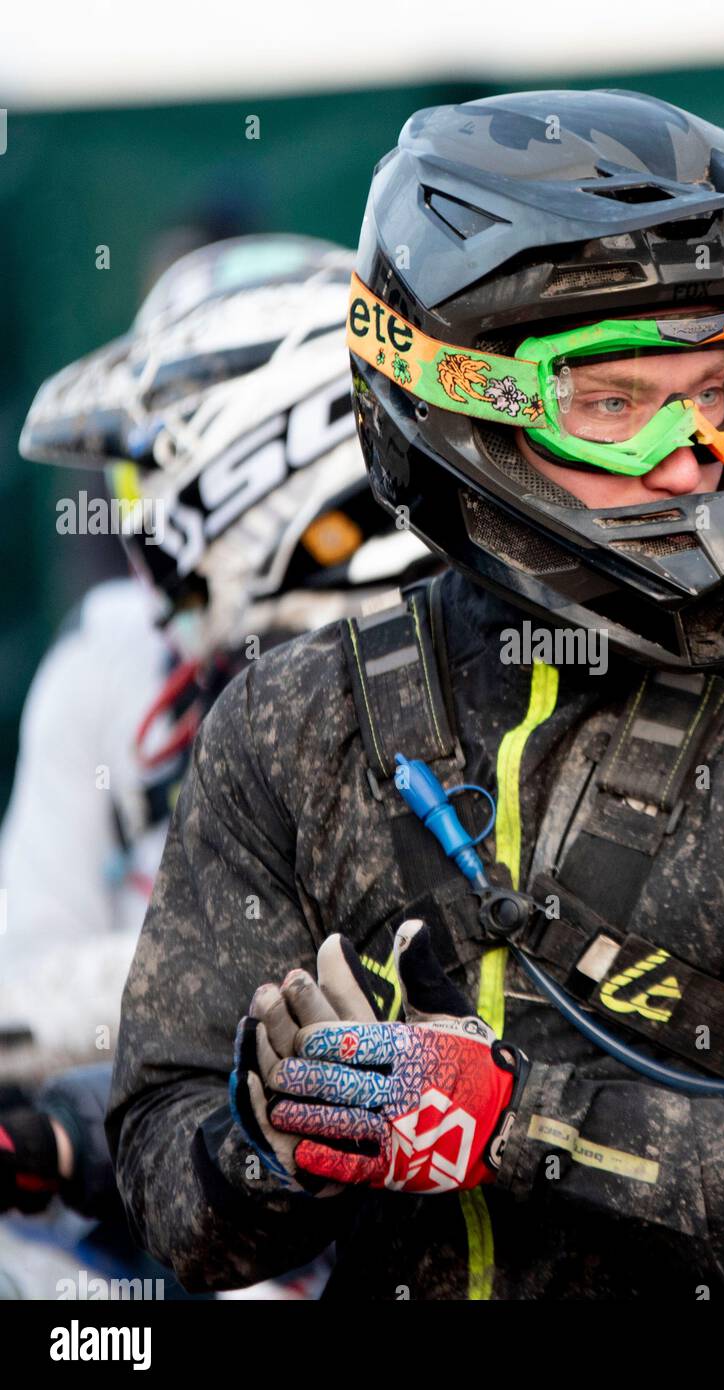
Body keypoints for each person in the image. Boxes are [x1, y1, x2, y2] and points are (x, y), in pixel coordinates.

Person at [108, 89, 724, 1300]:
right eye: (614, 404)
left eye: (721, 388)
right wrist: (275, 1144)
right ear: (454, 404)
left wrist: (525, 1122)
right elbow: (167, 1192)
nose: (689, 457)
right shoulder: (290, 725)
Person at [0, 234, 429, 1284]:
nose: (139, 519)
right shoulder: (114, 655)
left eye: (155, 474)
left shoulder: (453, 664)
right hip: (154, 1192)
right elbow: (13, 996)